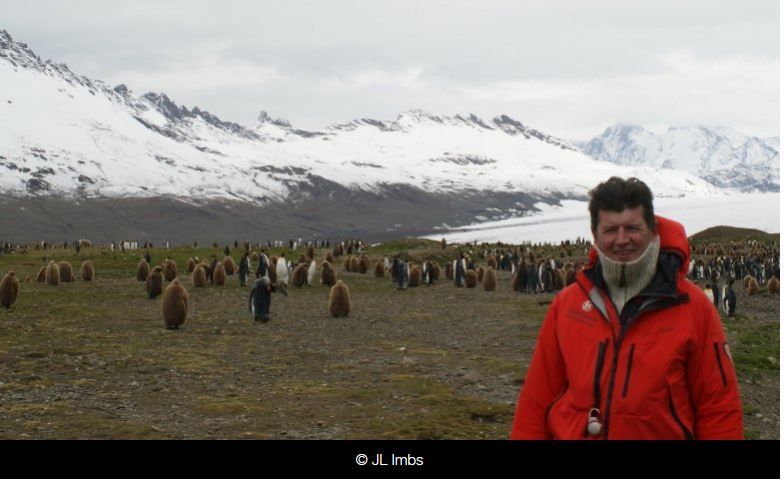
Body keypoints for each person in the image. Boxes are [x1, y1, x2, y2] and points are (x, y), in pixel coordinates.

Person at [510, 176, 743, 440]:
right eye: (610, 230)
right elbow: (536, 401)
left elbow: (719, 409)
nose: (622, 239)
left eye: (632, 228)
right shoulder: (568, 304)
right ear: (595, 235)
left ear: (653, 230)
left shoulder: (694, 308)